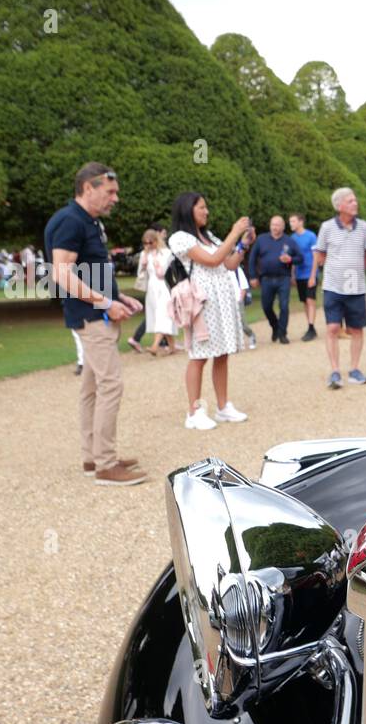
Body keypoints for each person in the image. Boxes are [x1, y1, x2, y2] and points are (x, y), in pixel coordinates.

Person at [44, 162, 146, 485]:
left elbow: (95, 268)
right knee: (111, 384)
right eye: (110, 191)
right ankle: (105, 464)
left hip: (96, 313)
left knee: (91, 387)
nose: (116, 198)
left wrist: (120, 297)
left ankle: (93, 458)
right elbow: (61, 273)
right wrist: (106, 304)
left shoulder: (87, 221)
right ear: (89, 188)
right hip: (91, 317)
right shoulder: (71, 221)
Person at [167, 191, 255, 430]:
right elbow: (213, 260)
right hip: (202, 303)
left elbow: (230, 264)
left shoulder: (210, 237)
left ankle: (223, 406)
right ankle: (193, 411)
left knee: (222, 353)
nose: (206, 211)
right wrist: (235, 232)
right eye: (201, 208)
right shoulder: (180, 238)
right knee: (199, 355)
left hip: (221, 302)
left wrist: (243, 245)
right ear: (188, 210)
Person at [312, 187, 366, 389]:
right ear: (339, 206)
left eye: (355, 200)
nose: (355, 203)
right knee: (332, 328)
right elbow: (319, 255)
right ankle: (335, 371)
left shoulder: (364, 227)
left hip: (356, 287)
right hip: (333, 286)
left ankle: (354, 369)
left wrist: (354, 271)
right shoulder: (327, 227)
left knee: (356, 329)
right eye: (350, 201)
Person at [248, 215, 297, 343]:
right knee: (266, 306)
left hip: (284, 278)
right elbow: (252, 258)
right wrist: (253, 276)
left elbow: (300, 258)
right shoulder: (261, 239)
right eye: (272, 224)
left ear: (283, 226)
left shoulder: (289, 241)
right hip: (266, 279)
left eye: (277, 225)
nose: (274, 227)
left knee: (284, 306)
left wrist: (290, 259)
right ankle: (275, 326)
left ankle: (282, 334)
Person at [139, 228, 176, 355]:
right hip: (151, 288)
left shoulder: (165, 253)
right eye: (146, 243)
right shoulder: (144, 255)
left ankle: (155, 345)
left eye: (151, 242)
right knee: (158, 316)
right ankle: (172, 346)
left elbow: (163, 272)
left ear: (156, 241)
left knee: (163, 314)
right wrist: (143, 266)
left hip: (163, 287)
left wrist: (157, 264)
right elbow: (141, 275)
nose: (148, 246)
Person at [287, 213, 319, 341]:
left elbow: (316, 256)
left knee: (311, 300)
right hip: (299, 274)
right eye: (290, 222)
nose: (291, 224)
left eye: (293, 221)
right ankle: (310, 326)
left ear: (300, 222)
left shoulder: (311, 236)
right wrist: (293, 274)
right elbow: (293, 258)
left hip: (310, 273)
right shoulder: (292, 238)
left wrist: (313, 275)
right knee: (305, 301)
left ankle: (311, 327)